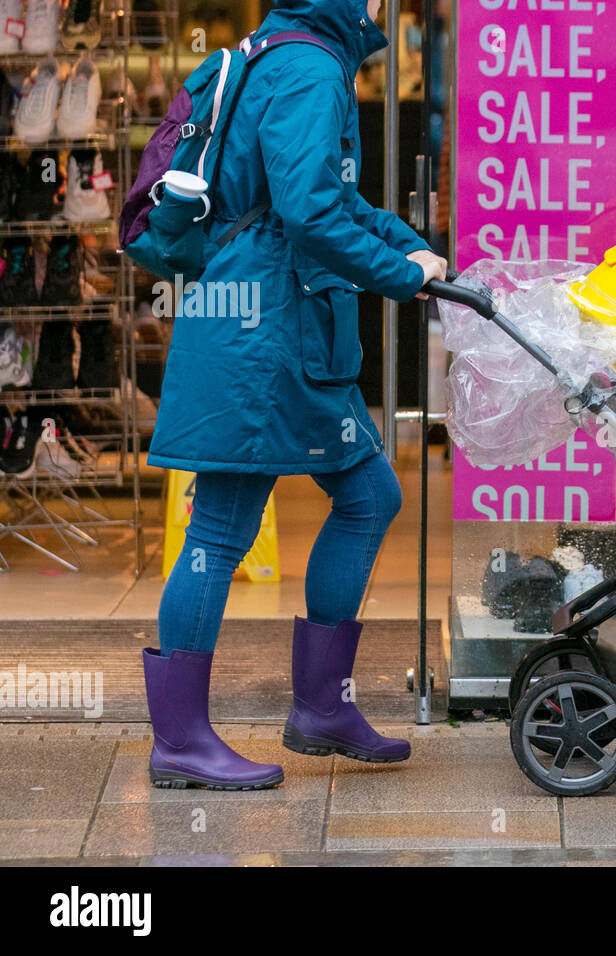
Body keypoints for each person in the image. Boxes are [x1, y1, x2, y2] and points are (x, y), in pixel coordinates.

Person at [141, 0, 446, 790]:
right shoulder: (311, 67)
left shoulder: (287, 52)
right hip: (262, 334)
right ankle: (179, 740)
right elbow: (310, 213)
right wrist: (397, 277)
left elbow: (325, 198)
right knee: (220, 524)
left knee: (370, 494)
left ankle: (321, 708)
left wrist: (408, 245)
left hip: (274, 323)